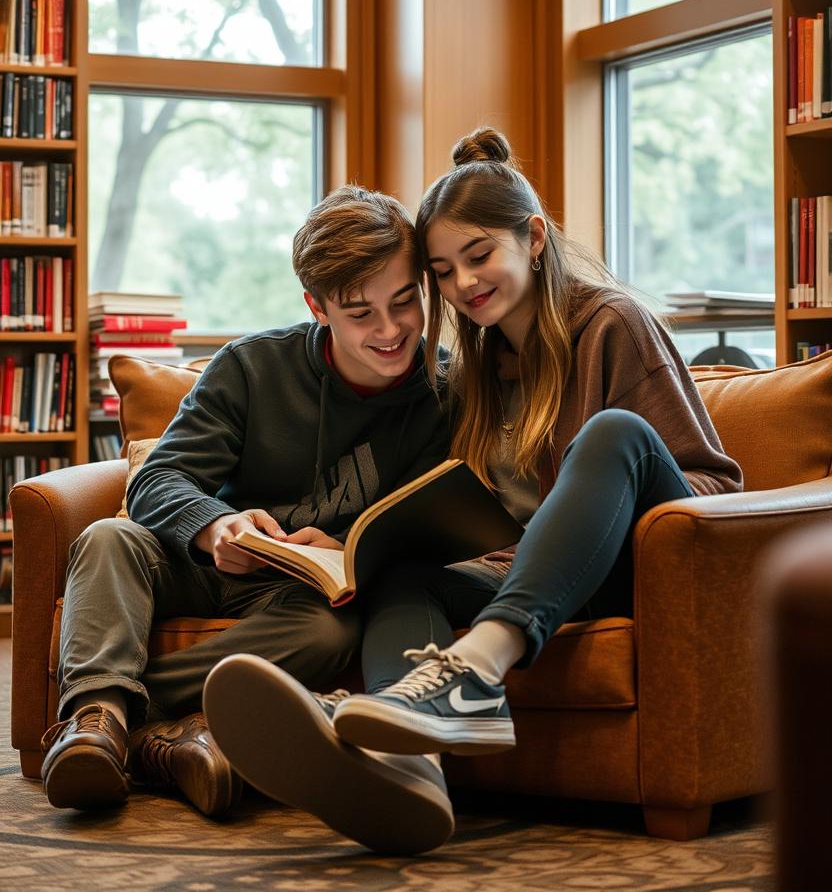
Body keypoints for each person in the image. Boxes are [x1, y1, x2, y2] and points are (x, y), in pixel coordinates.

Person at [204, 127, 742, 852]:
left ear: (535, 238)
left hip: (634, 569)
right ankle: (410, 767)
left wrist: (582, 513)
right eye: (443, 270)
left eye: (480, 255)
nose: (463, 284)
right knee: (405, 575)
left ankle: (475, 671)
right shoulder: (480, 366)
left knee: (613, 432)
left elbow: (712, 485)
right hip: (545, 581)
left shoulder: (614, 322)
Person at [39, 184, 452, 841]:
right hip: (204, 567)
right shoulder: (252, 366)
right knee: (109, 537)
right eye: (360, 313)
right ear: (316, 307)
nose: (391, 329)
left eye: (405, 301)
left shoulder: (444, 392)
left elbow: (439, 522)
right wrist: (213, 526)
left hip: (302, 596)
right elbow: (159, 479)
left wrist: (343, 544)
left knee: (329, 635)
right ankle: (101, 725)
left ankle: (116, 718)